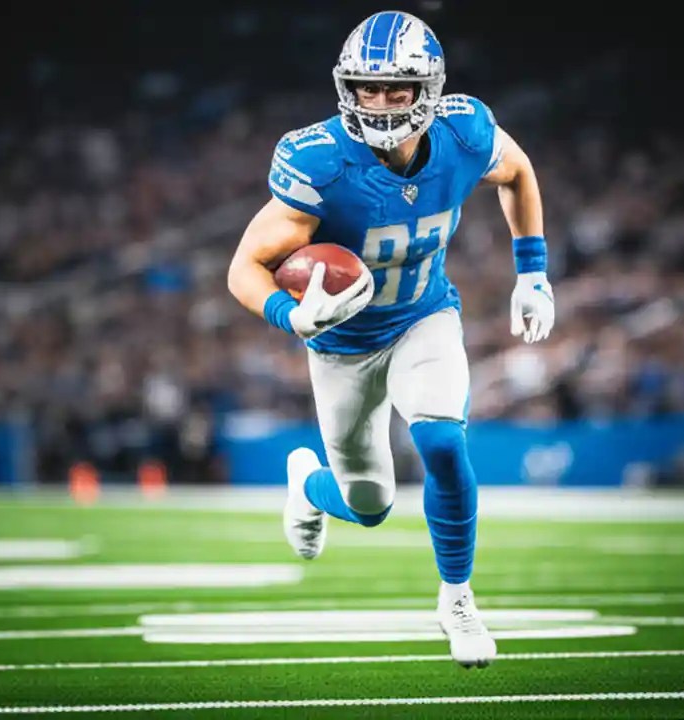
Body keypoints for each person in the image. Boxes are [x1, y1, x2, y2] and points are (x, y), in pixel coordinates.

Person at [226, 10, 556, 669]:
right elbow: (243, 266)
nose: (378, 103)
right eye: (366, 88)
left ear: (428, 90)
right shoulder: (320, 161)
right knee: (368, 504)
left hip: (421, 317)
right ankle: (309, 487)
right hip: (342, 345)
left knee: (439, 437)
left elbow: (518, 172)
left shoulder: (464, 131)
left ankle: (457, 596)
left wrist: (534, 271)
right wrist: (289, 318)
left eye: (396, 90)